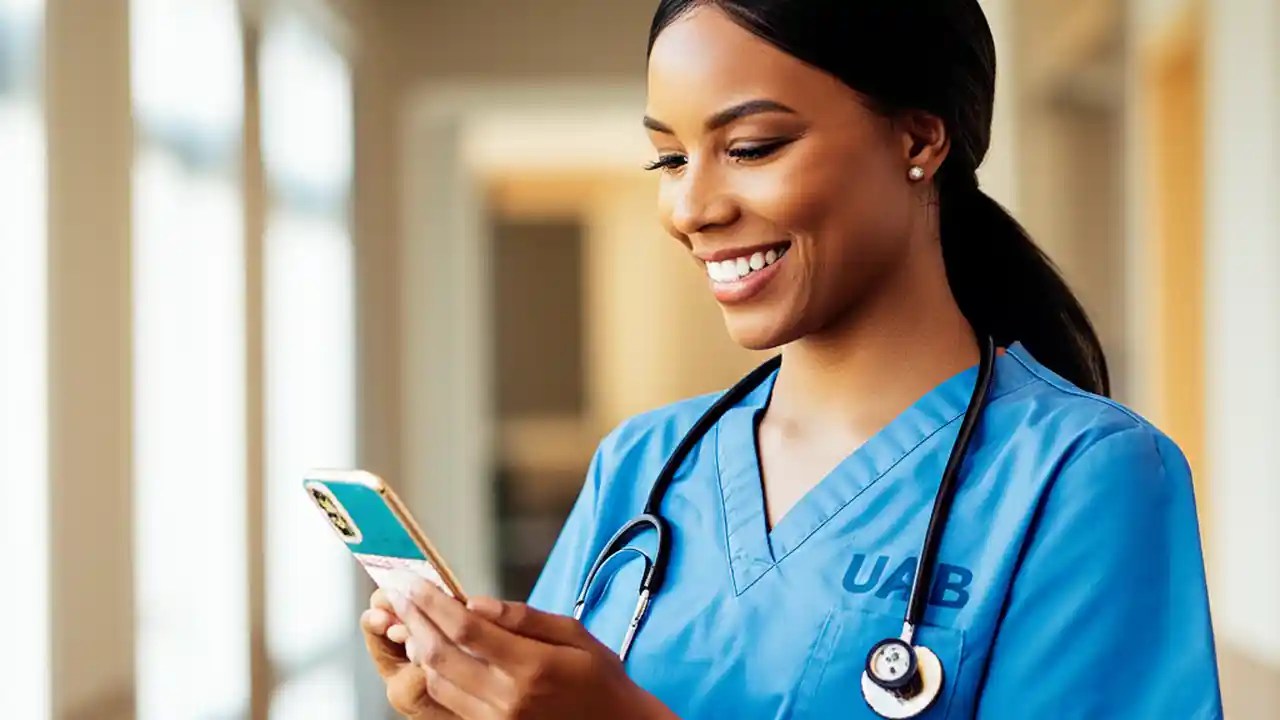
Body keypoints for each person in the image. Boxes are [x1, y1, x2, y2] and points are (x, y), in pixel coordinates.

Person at [360, 1, 1224, 717]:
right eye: (669, 157)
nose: (690, 207)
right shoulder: (643, 466)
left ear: (919, 140)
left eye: (751, 148)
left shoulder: (1083, 476)